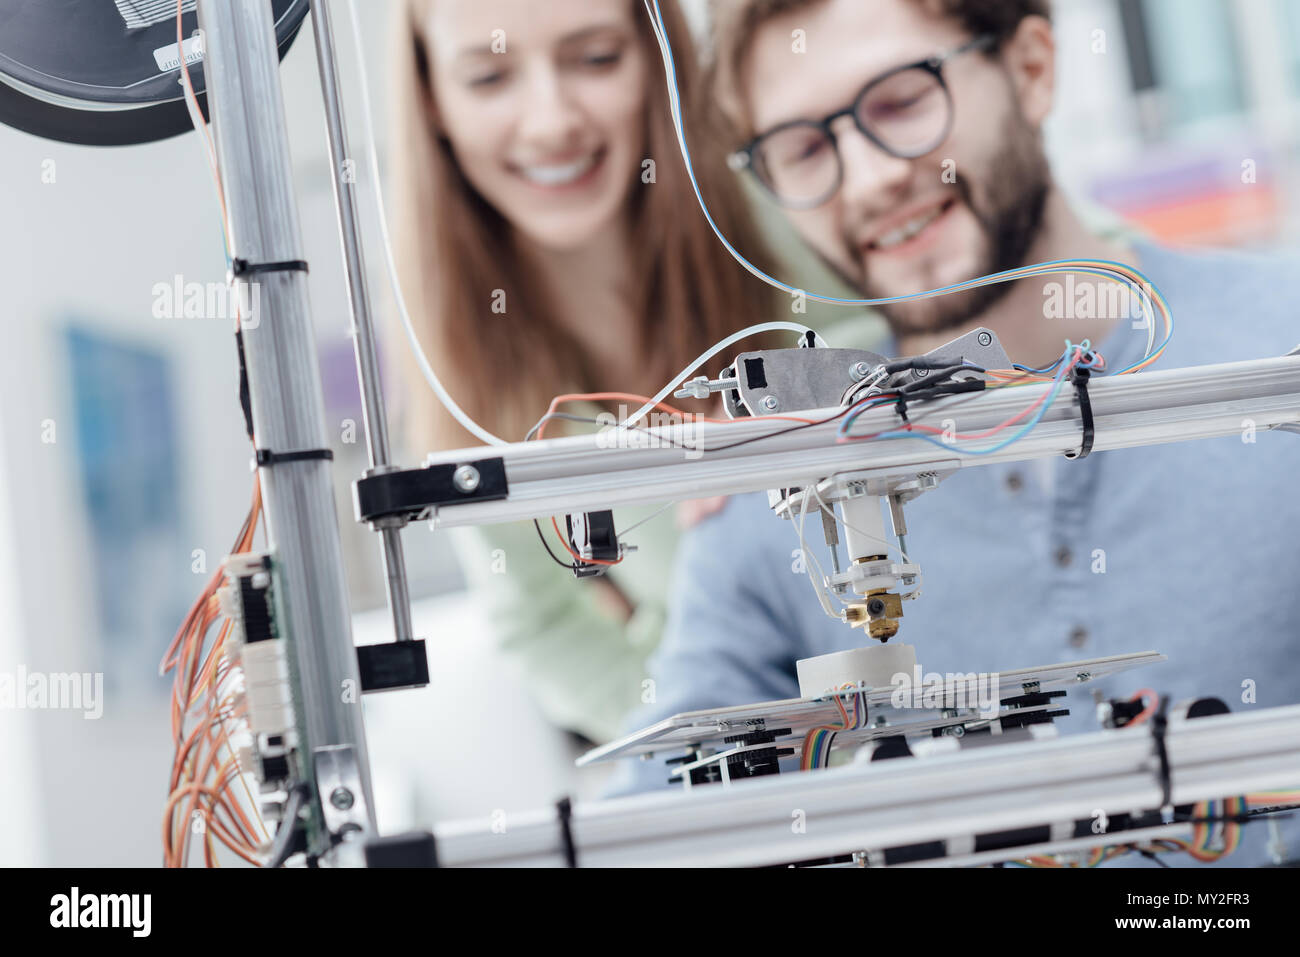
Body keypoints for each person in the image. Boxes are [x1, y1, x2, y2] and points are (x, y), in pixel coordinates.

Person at [613, 0, 1300, 868]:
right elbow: (648, 821)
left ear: (1031, 68)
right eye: (804, 150)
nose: (866, 181)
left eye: (900, 102)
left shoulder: (1281, 341)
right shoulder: (776, 477)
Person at [385, 0, 875, 743]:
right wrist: (708, 728)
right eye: (488, 77)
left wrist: (815, 393)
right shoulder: (463, 353)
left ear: (657, 57)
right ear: (431, 100)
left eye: (596, 59)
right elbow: (543, 626)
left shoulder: (786, 195)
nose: (551, 122)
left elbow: (996, 326)